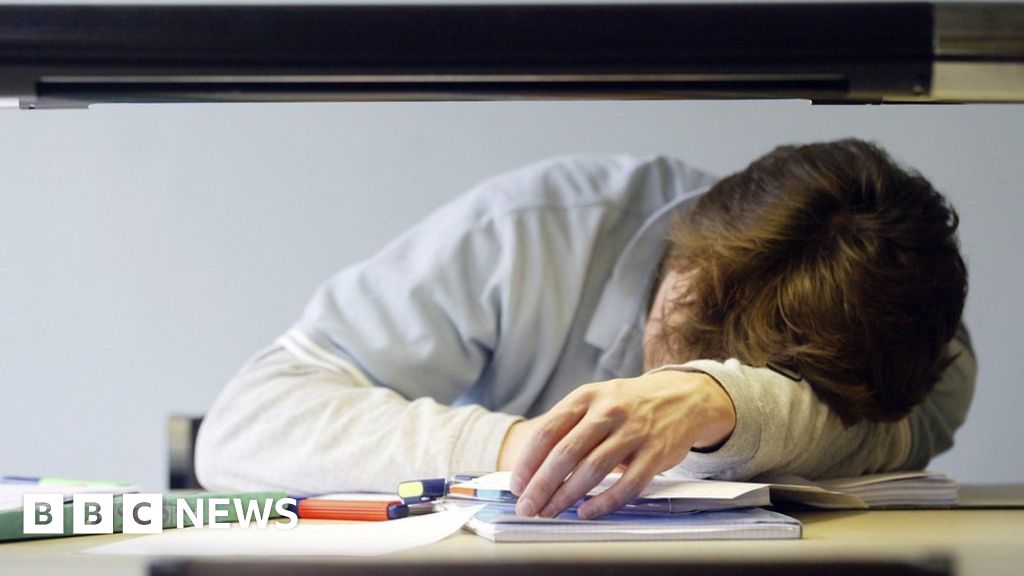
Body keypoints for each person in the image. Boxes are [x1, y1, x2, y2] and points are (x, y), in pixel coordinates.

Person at [195, 139, 975, 520]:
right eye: (682, 334)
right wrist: (533, 449)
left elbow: (888, 433)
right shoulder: (525, 234)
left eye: (734, 365)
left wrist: (716, 402)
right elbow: (246, 427)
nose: (669, 377)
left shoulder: (915, 339)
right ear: (682, 249)